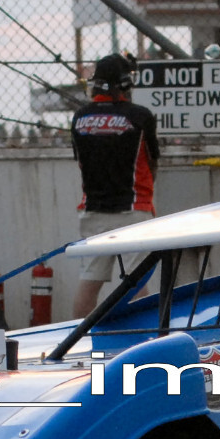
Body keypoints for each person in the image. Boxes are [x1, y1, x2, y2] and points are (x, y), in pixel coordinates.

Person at [70, 53, 159, 319]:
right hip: (134, 209)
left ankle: (79, 345)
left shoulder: (79, 118)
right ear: (124, 83)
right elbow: (153, 162)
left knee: (89, 283)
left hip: (93, 211)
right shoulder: (140, 117)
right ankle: (144, 342)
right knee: (137, 284)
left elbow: (80, 162)